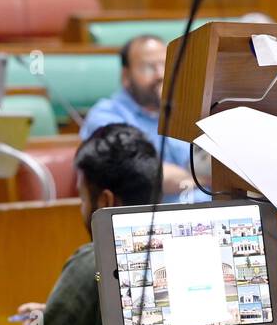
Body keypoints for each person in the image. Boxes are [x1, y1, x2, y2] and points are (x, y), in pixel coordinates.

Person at [12, 124, 161, 325]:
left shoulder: (97, 259)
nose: (81, 208)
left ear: (105, 202)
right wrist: (51, 313)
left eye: (82, 198)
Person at [80, 35, 208, 204]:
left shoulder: (185, 110)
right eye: (149, 67)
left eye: (165, 65)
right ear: (126, 76)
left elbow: (213, 166)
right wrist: (202, 180)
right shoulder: (107, 115)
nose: (160, 75)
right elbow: (143, 174)